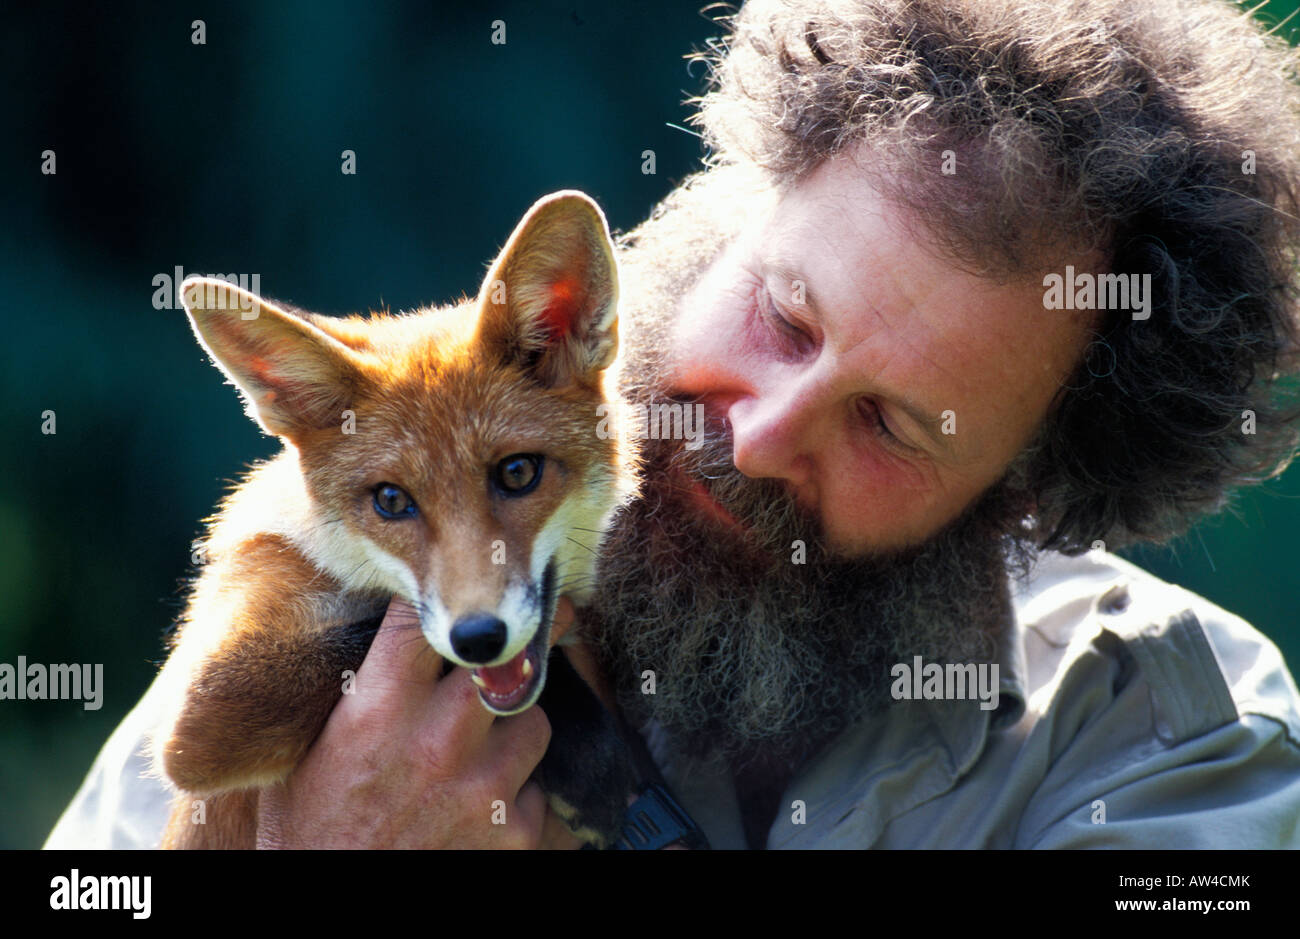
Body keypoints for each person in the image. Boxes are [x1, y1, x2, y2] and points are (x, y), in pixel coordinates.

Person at [47, 0, 1300, 849]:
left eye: (892, 425)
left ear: (1026, 486)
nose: (759, 435)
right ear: (717, 228)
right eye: (786, 318)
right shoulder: (351, 581)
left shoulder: (1177, 745)